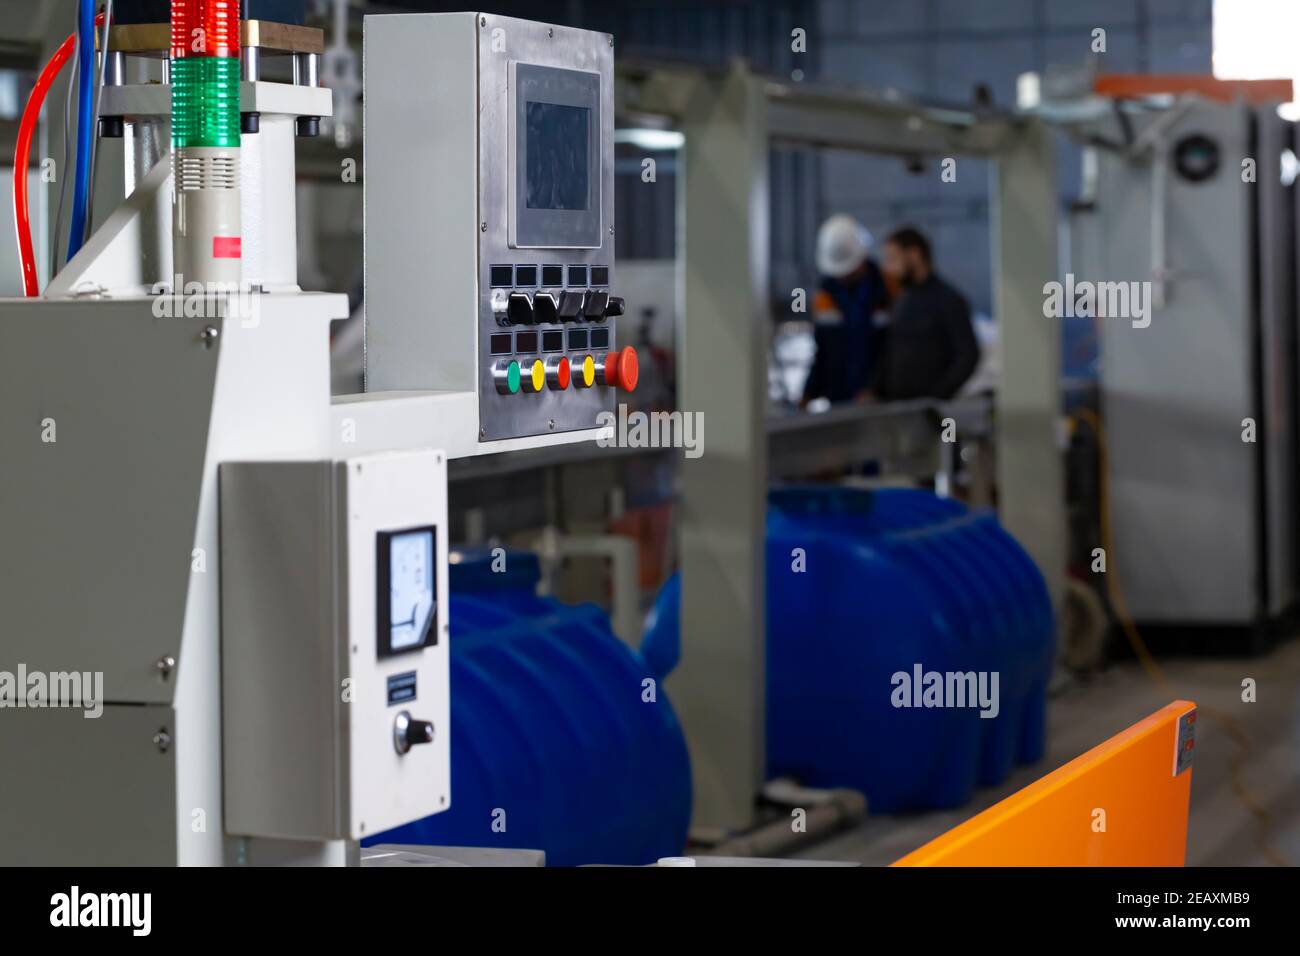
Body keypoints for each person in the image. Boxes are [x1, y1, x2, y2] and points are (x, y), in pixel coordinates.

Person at [872, 226, 978, 401]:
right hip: (895, 406)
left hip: (928, 411)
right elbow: (890, 352)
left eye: (892, 259)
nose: (888, 268)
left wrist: (938, 396)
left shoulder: (949, 300)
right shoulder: (901, 300)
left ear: (914, 254)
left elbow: (967, 356)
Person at [800, 214, 890, 406]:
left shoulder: (887, 288)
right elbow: (824, 351)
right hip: (839, 398)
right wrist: (808, 392)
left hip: (880, 398)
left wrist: (874, 387)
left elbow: (892, 350)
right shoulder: (825, 296)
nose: (843, 276)